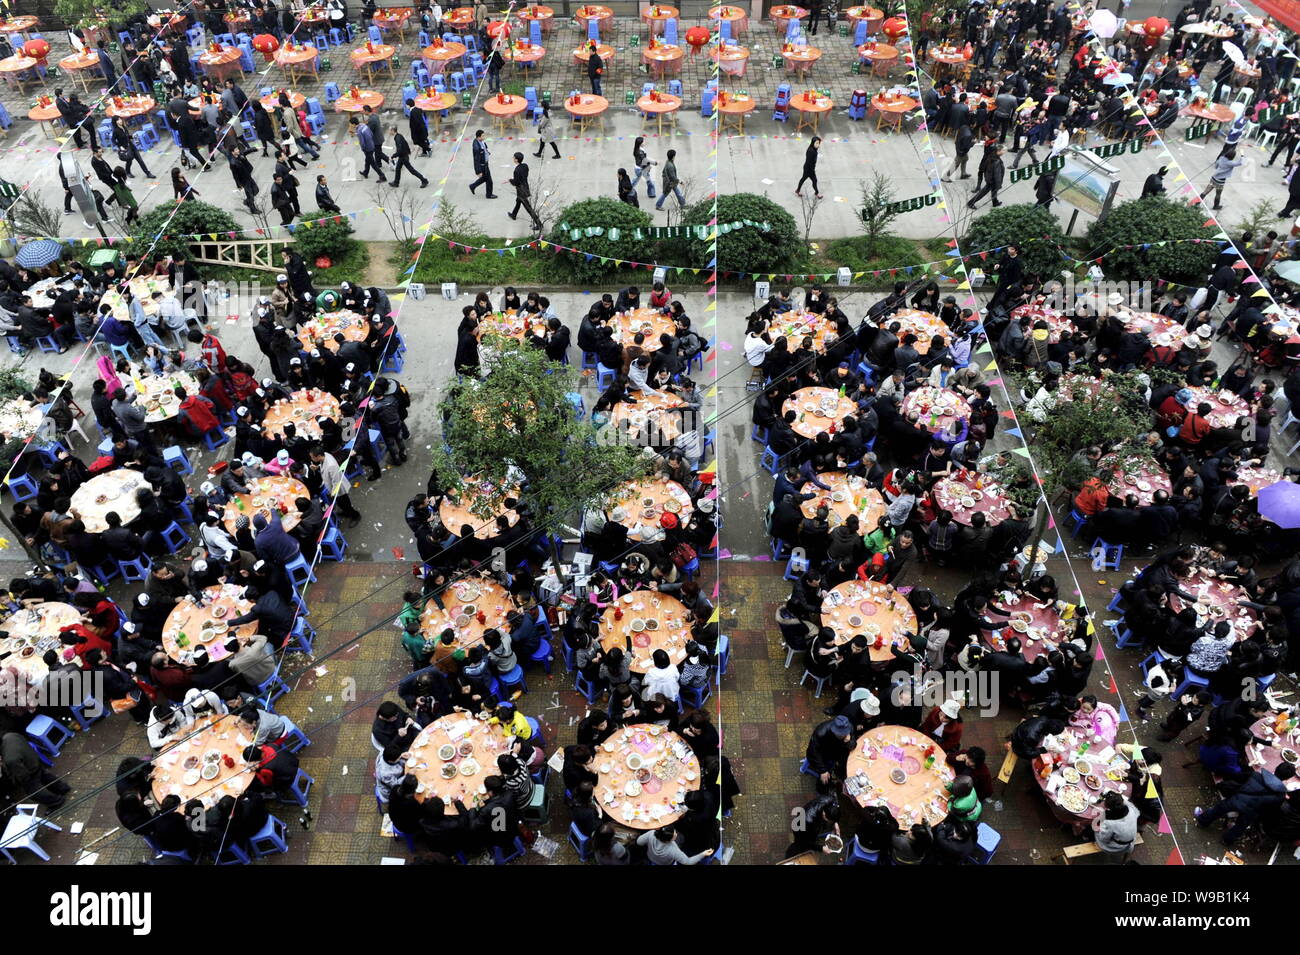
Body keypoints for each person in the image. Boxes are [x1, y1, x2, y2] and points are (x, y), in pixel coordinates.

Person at [1093, 791, 1140, 863]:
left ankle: (1086, 836)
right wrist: (1116, 798)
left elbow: (1104, 839)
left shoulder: (1110, 822)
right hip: (1130, 839)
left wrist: (1099, 828)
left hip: (1117, 847)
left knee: (1095, 828)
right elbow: (1137, 812)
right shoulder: (1131, 809)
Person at [507, 152, 542, 230]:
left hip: (521, 191)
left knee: (529, 209)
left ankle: (539, 224)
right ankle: (513, 214)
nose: (513, 159)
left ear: (516, 160)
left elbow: (516, 182)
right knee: (518, 201)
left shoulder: (516, 170)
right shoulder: (525, 166)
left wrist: (510, 180)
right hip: (525, 187)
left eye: (513, 158)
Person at [468, 129, 496, 198]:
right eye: (483, 136)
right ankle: (489, 195)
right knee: (489, 181)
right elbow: (476, 160)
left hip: (485, 163)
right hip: (482, 165)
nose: (484, 137)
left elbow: (484, 149)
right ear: (478, 137)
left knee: (484, 178)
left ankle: (472, 186)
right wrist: (478, 171)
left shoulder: (481, 141)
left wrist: (487, 153)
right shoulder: (476, 147)